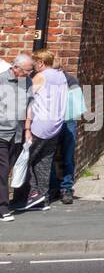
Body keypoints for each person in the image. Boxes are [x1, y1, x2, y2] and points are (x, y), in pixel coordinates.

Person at [19, 49, 68, 212]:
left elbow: (29, 102)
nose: (33, 66)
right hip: (55, 125)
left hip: (39, 124)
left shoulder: (41, 76)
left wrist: (27, 127)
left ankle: (32, 194)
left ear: (40, 62)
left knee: (26, 159)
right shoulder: (61, 76)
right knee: (44, 161)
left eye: (34, 63)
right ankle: (43, 198)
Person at [0, 55, 34, 222]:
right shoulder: (1, 80)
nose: (30, 74)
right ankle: (3, 208)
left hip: (18, 133)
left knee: (8, 169)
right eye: (27, 71)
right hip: (1, 132)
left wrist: (28, 128)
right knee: (3, 170)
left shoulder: (26, 81)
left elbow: (29, 105)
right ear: (16, 68)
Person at [48, 67, 85, 205]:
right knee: (49, 156)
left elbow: (77, 106)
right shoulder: (45, 79)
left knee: (68, 156)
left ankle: (66, 188)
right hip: (50, 122)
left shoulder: (70, 80)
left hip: (67, 122)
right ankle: (52, 187)